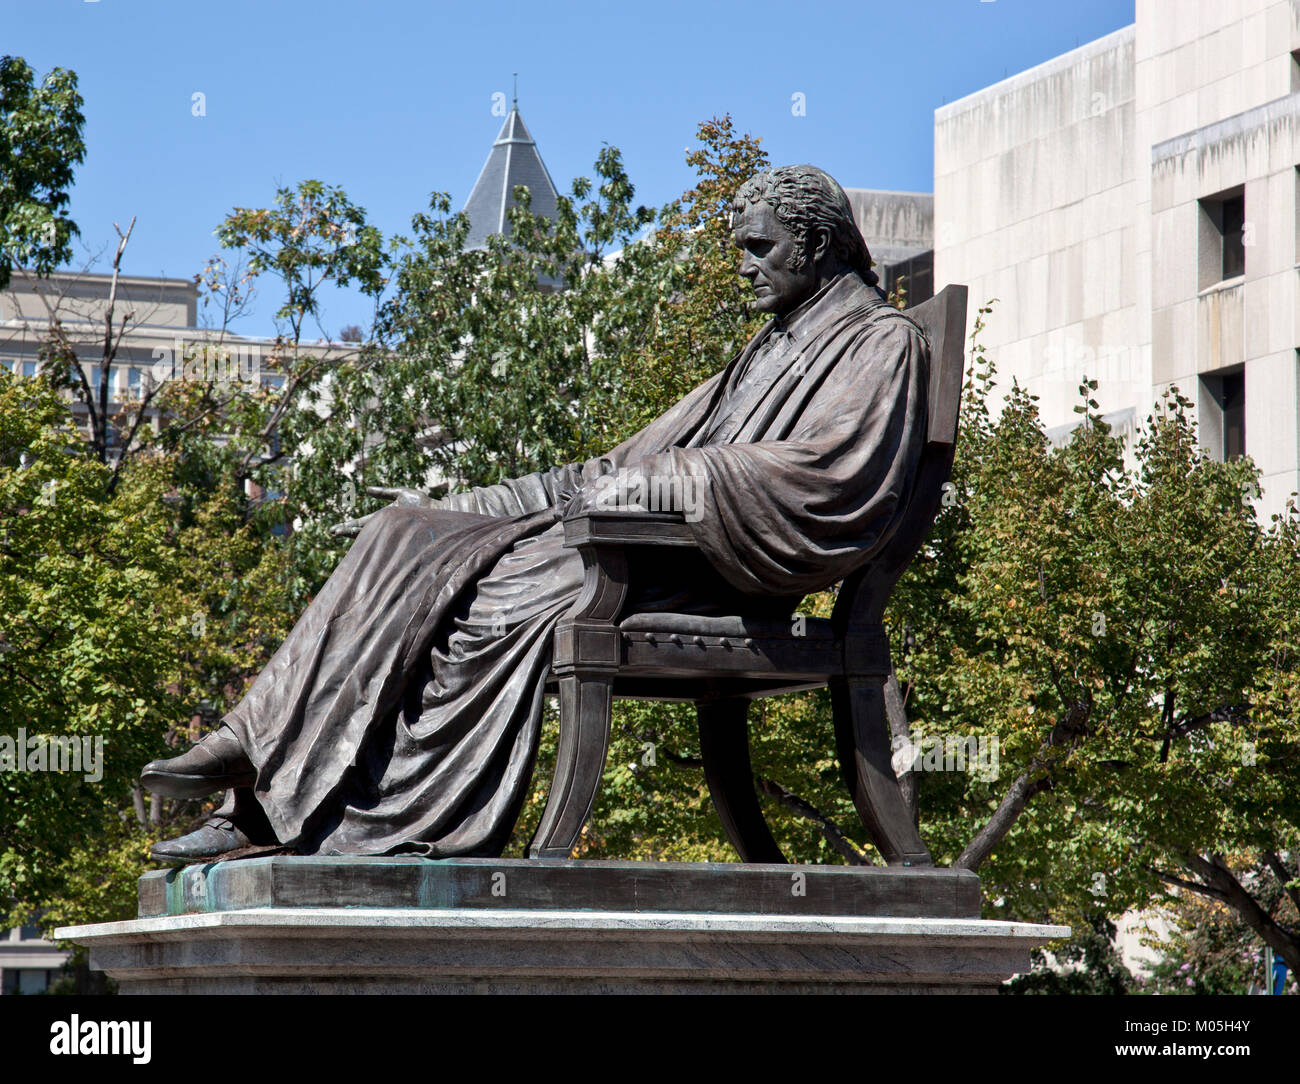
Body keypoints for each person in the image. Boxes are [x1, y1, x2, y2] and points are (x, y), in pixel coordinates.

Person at [141, 164, 931, 861]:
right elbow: (610, 467)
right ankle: (254, 764)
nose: (743, 267)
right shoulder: (767, 350)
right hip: (641, 546)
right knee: (402, 533)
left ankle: (342, 824)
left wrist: (666, 480)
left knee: (476, 601)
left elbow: (829, 477)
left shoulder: (882, 341)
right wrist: (469, 505)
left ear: (820, 244)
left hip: (716, 572)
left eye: (760, 248)